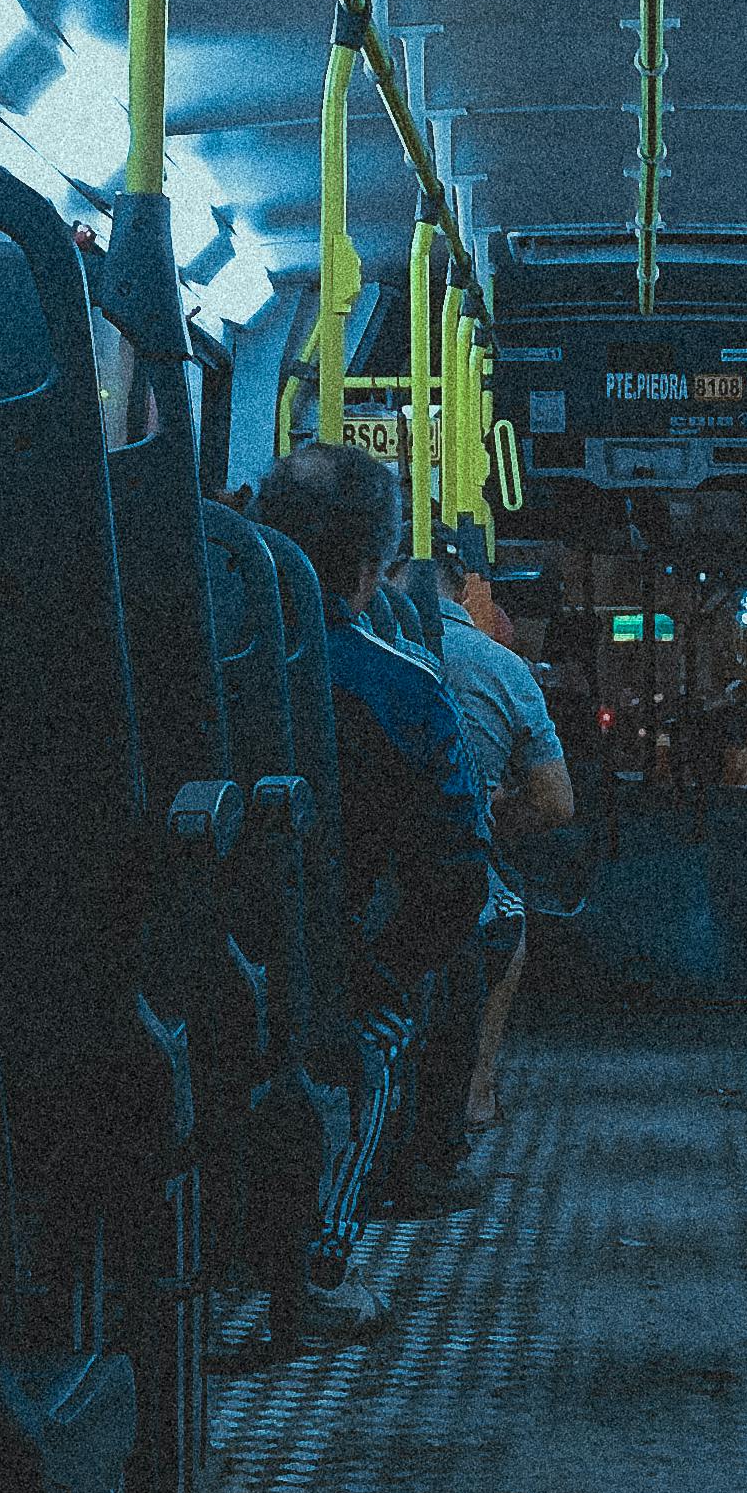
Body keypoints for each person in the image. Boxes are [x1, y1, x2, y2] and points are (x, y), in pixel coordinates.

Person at [255, 436, 493, 1253]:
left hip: (177, 958)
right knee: (377, 1034)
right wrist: (382, 970)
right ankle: (317, 1266)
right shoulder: (402, 686)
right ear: (368, 570)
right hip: (327, 965)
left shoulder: (165, 659)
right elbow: (459, 873)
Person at [435, 553, 575, 1139]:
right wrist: (483, 826)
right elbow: (555, 803)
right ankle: (476, 1085)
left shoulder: (311, 646)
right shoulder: (502, 670)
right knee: (502, 923)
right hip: (451, 866)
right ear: (470, 592)